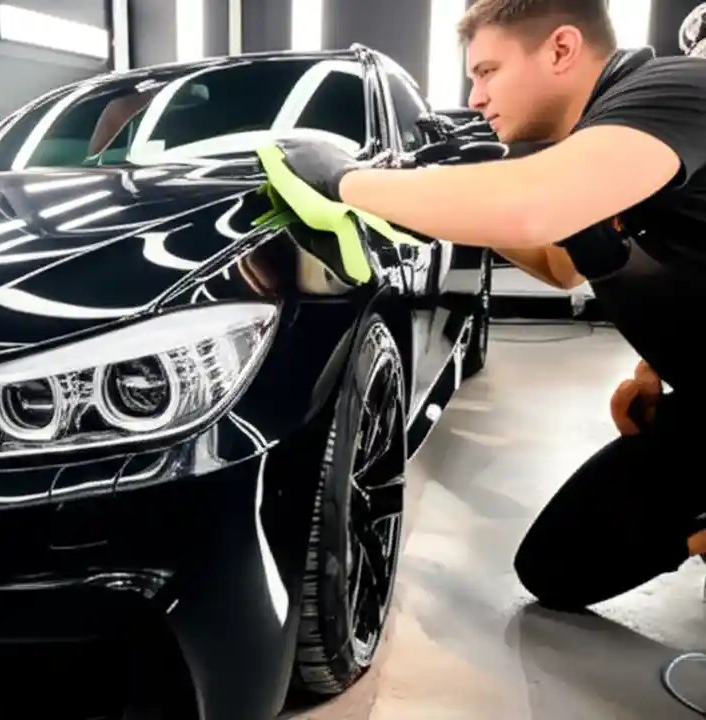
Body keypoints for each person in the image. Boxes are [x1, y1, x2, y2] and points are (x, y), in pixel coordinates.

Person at [276, 0, 706, 611]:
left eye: (487, 71)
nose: (475, 97)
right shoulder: (607, 147)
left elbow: (535, 205)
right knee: (555, 567)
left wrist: (346, 182)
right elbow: (562, 266)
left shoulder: (679, 86)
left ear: (561, 49)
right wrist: (436, 214)